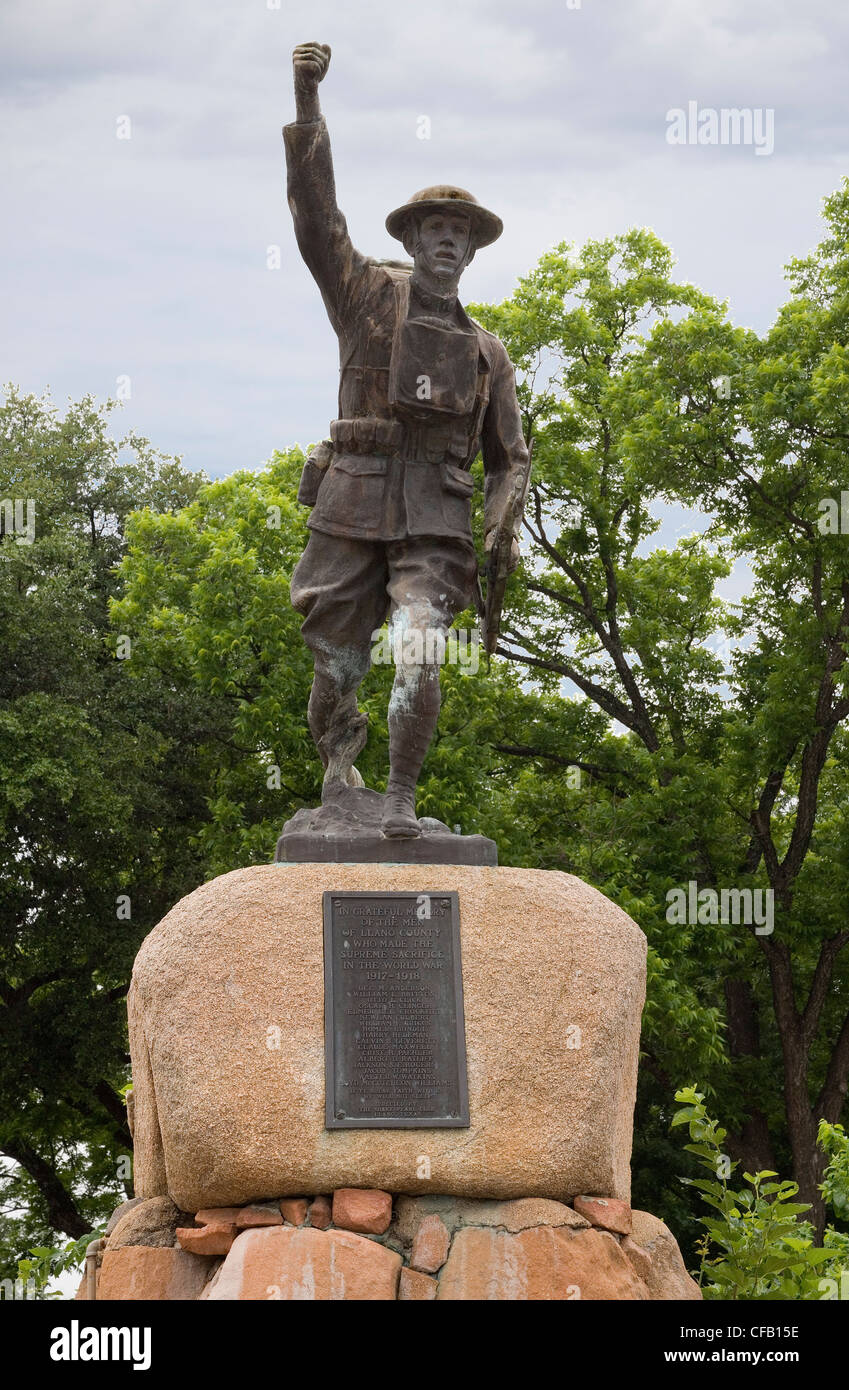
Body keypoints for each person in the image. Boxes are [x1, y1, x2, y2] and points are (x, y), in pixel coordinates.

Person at [285, 41, 528, 838]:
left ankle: (398, 800)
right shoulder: (364, 297)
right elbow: (317, 220)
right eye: (436, 228)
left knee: (418, 652)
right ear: (415, 237)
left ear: (471, 246)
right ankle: (338, 774)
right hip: (352, 501)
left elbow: (510, 458)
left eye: (461, 231)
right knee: (337, 662)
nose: (448, 241)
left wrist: (504, 522)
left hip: (433, 523)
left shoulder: (487, 351)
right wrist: (307, 100)